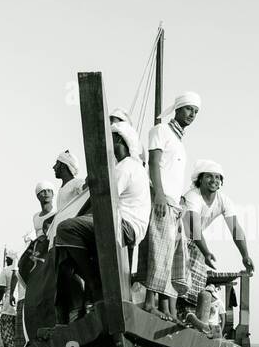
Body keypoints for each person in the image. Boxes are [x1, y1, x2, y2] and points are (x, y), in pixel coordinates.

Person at [53, 121, 151, 321]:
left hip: (123, 225)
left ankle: (93, 284)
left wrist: (79, 217)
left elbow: (104, 199)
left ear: (117, 140)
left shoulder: (125, 167)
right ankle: (88, 296)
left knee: (66, 230)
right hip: (126, 224)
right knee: (77, 236)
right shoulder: (132, 166)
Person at [142, 92, 198, 321]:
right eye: (188, 110)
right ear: (177, 109)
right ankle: (149, 303)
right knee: (158, 249)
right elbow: (154, 164)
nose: (192, 115)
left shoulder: (180, 142)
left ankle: (165, 308)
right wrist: (159, 195)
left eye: (195, 112)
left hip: (175, 205)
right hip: (162, 198)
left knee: (171, 256)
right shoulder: (160, 131)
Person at [180, 159, 254, 308]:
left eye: (218, 177)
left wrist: (245, 255)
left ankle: (189, 313)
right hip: (177, 238)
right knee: (181, 281)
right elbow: (193, 228)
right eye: (209, 176)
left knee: (196, 285)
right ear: (200, 179)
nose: (214, 180)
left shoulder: (223, 200)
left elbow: (235, 229)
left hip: (194, 242)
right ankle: (179, 309)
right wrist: (206, 252)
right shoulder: (192, 196)